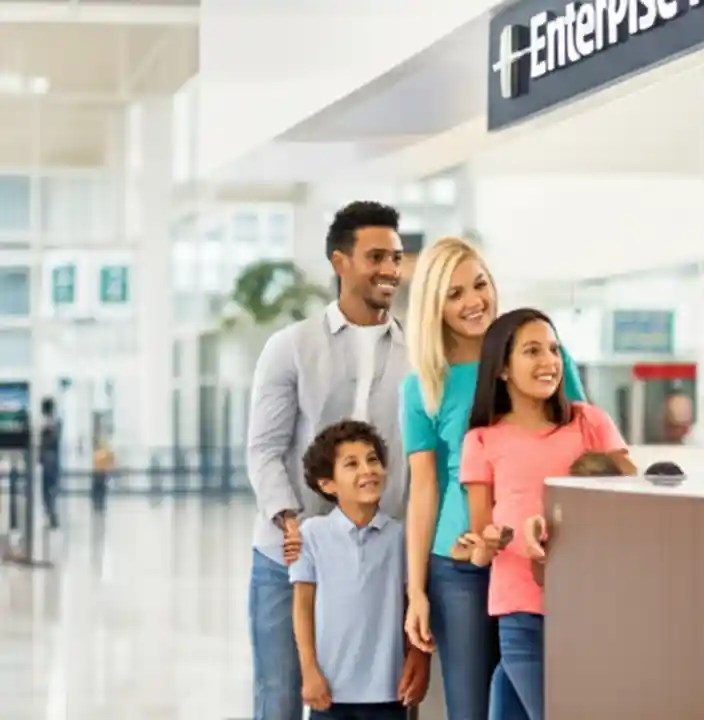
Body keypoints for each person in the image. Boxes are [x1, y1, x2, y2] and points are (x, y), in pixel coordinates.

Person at [246, 201, 427, 720]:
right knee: (279, 695)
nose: (390, 269)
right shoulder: (291, 346)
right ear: (339, 261)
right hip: (287, 554)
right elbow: (264, 448)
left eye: (396, 257)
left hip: (379, 560)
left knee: (381, 701)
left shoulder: (418, 353)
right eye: (376, 256)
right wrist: (290, 522)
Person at [400, 237, 587, 720]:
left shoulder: (548, 359)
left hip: (543, 558)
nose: (473, 301)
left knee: (551, 701)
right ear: (433, 307)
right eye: (454, 293)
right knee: (473, 710)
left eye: (479, 284)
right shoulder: (423, 385)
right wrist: (416, 590)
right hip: (460, 569)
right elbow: (424, 491)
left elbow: (586, 447)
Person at [460, 308, 635, 720]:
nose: (549, 362)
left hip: (587, 605)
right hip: (521, 609)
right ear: (503, 368)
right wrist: (494, 541)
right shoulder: (482, 439)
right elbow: (481, 548)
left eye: (554, 350)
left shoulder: (590, 422)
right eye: (532, 351)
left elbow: (635, 503)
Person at [290, 421, 429, 720]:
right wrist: (308, 669)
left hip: (388, 693)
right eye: (351, 464)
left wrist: (419, 656)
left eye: (373, 460)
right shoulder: (312, 534)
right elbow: (302, 606)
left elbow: (413, 604)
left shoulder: (402, 537)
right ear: (327, 484)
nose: (368, 470)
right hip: (329, 692)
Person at [38, 397, 61, 529]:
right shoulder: (55, 422)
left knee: (47, 490)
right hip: (52, 459)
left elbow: (46, 443)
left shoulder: (48, 424)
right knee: (50, 490)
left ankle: (52, 517)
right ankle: (51, 516)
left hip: (48, 460)